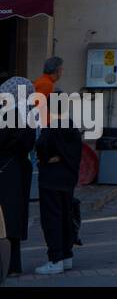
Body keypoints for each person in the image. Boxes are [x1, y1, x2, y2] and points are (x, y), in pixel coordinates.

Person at [34, 104, 83, 275]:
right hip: (68, 179)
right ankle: (67, 255)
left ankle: (55, 259)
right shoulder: (72, 128)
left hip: (51, 180)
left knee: (51, 218)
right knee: (65, 215)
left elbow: (40, 145)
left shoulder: (51, 128)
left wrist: (47, 159)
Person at [0, 77, 38, 278]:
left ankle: (6, 265)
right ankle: (14, 265)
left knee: (5, 218)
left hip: (5, 170)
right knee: (14, 215)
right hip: (19, 168)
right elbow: (29, 142)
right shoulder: (27, 114)